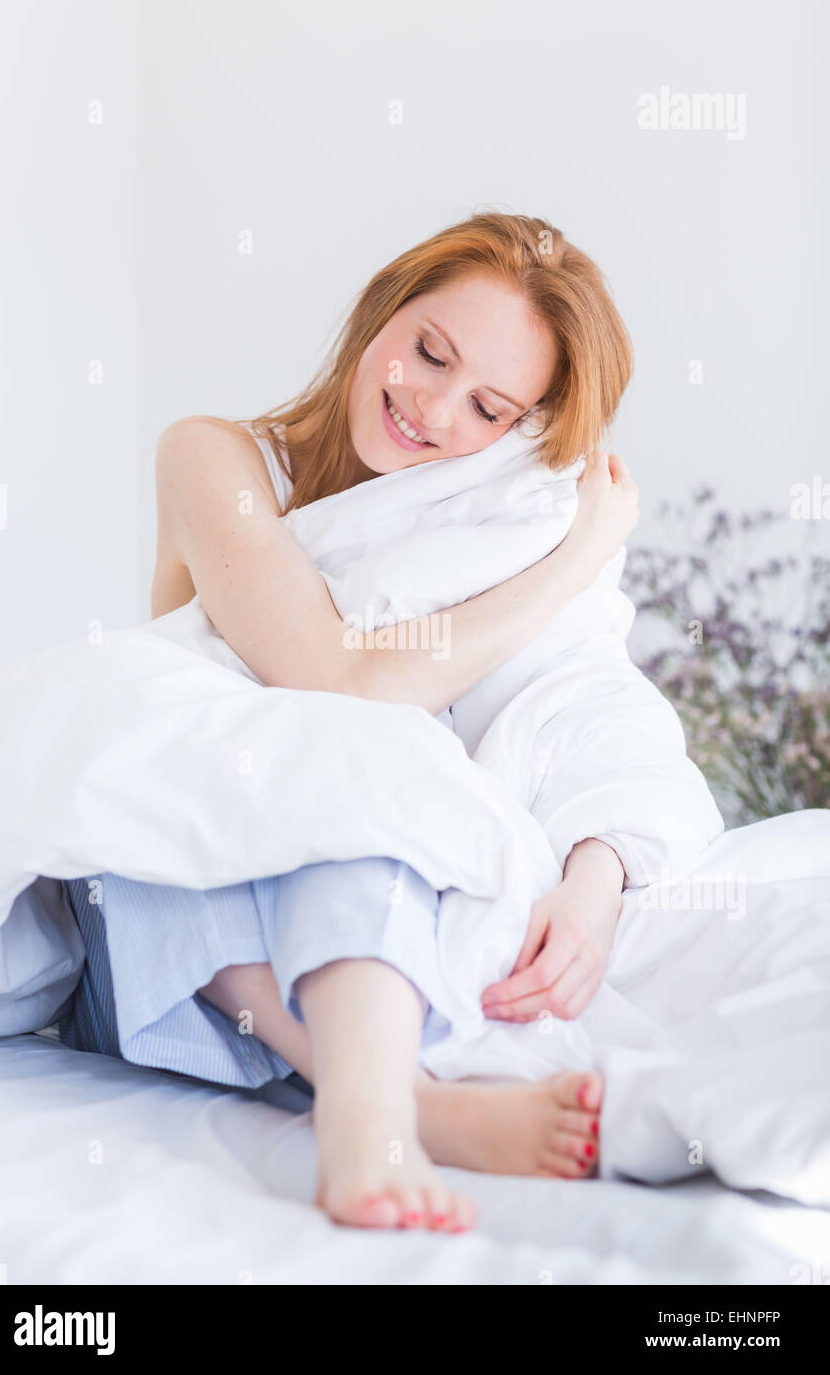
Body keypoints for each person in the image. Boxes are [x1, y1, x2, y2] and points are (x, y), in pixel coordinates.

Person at [60, 212, 640, 1233]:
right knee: (248, 763)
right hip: (179, 926)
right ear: (384, 306)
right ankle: (395, 1112)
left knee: (373, 777)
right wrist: (568, 568)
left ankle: (378, 1102)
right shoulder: (213, 458)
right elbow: (330, 679)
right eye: (427, 349)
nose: (429, 404)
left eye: (486, 406)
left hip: (341, 912)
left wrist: (595, 876)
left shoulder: (470, 532)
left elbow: (584, 715)